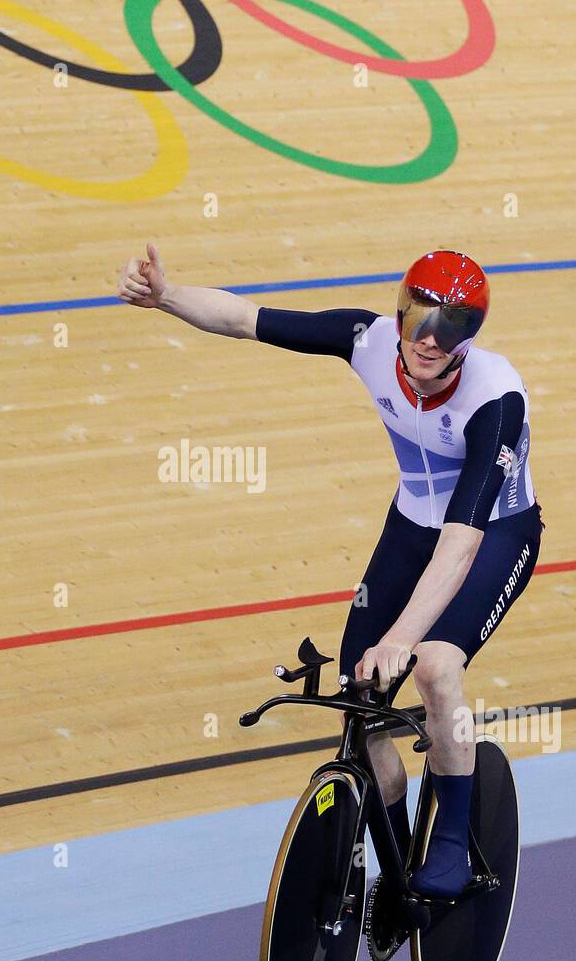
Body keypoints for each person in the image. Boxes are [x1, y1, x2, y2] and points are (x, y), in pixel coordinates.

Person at [117, 245, 542, 898]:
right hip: (410, 526)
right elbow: (245, 319)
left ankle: (452, 840)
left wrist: (400, 639)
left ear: (471, 337)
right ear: (399, 313)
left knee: (432, 664)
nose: (429, 340)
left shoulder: (496, 399)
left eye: (451, 326)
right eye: (420, 319)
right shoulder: (364, 340)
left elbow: (459, 546)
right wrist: (166, 296)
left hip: (491, 536)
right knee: (358, 700)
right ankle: (397, 865)